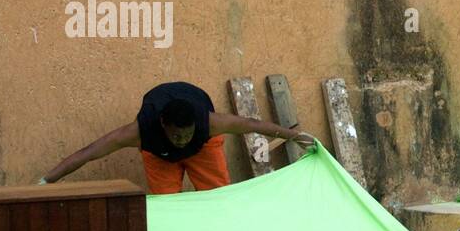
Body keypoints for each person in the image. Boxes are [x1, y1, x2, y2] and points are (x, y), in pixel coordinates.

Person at [40, 81, 313, 194]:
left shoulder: (210, 124)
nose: (182, 140)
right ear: (162, 125)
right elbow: (89, 152)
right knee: (168, 208)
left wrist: (295, 136)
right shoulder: (139, 132)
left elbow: (252, 124)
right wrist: (46, 180)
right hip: (160, 156)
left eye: (187, 134)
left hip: (204, 149)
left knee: (217, 198)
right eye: (176, 135)